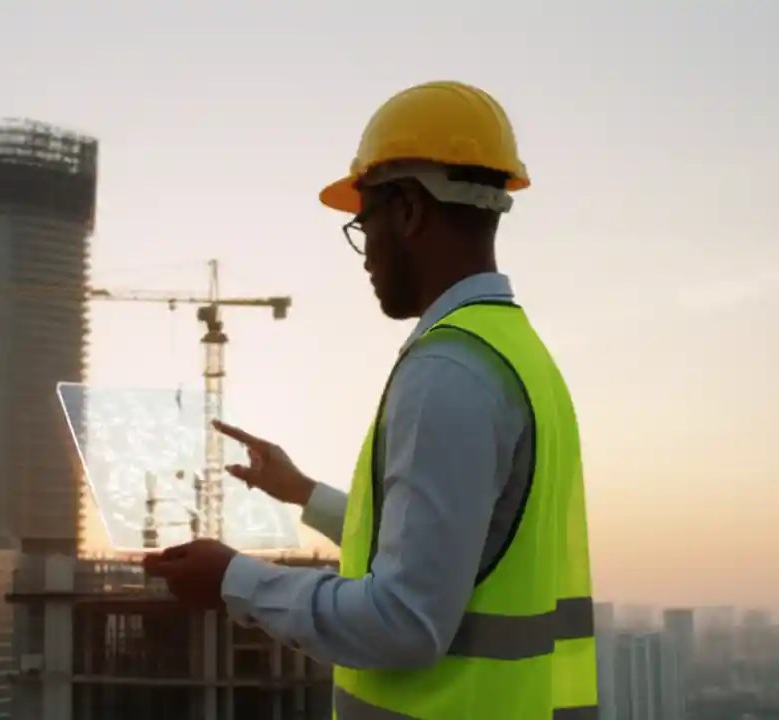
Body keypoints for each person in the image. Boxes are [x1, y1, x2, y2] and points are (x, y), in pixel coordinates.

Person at [142, 80, 598, 719]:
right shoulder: (515, 355)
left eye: (363, 224)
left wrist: (232, 581)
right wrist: (303, 493)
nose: (363, 256)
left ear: (409, 210)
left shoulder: (448, 371)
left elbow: (405, 620)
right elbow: (453, 541)